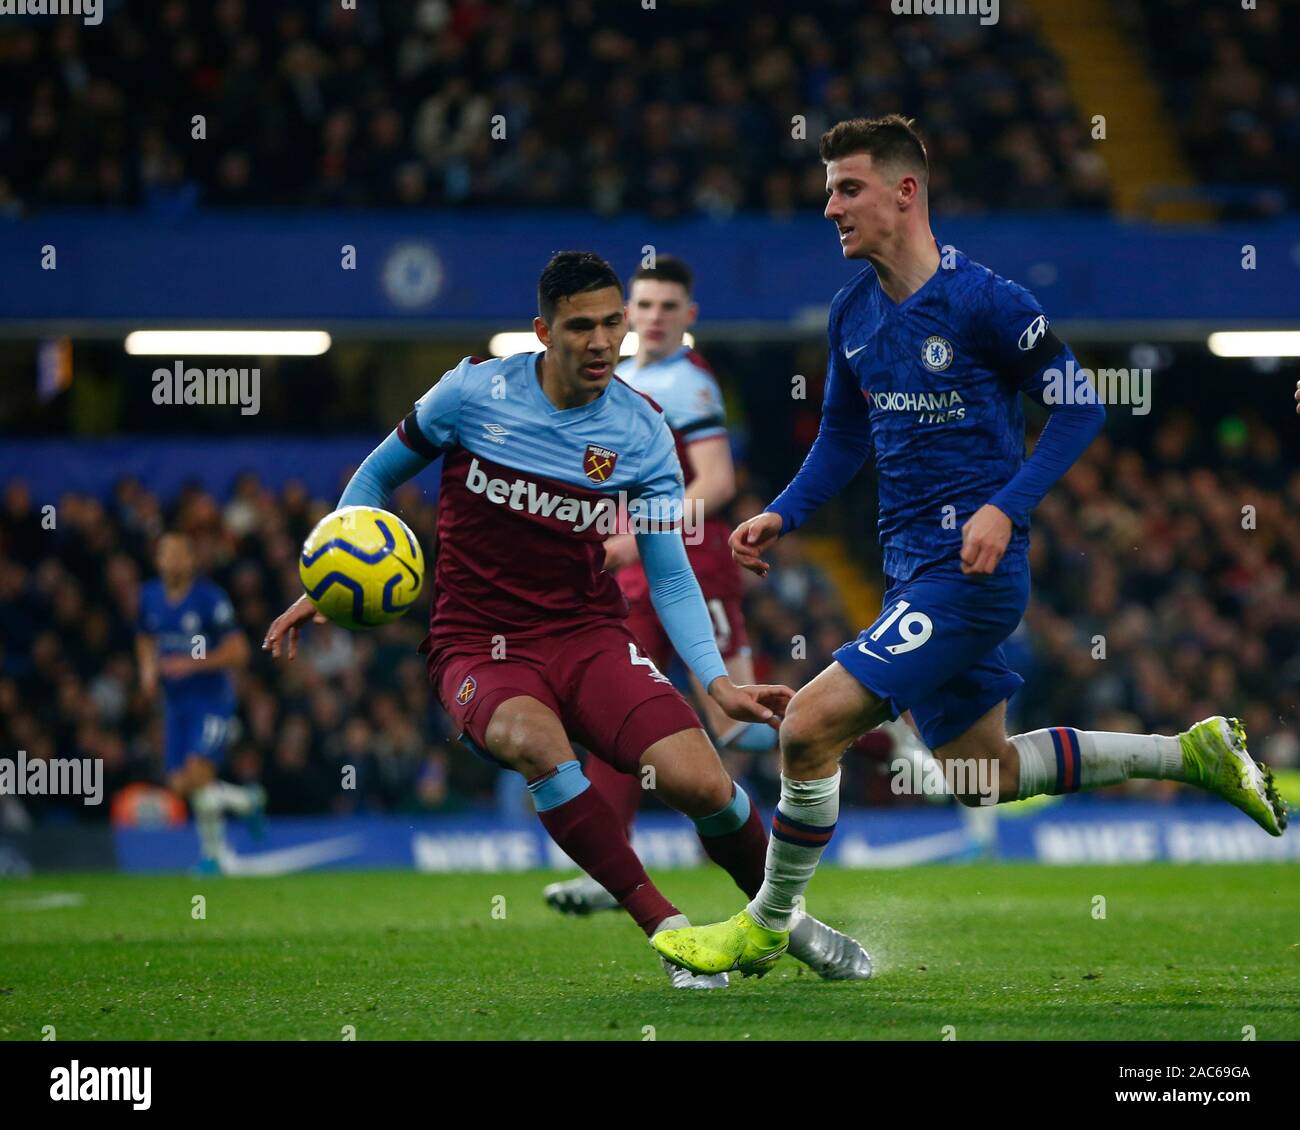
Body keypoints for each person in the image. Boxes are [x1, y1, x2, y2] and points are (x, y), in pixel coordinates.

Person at [654, 115, 1287, 979]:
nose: (829, 205)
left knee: (807, 727)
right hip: (910, 571)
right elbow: (844, 434)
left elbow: (1081, 405)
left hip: (969, 577)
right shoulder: (853, 313)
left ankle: (768, 922)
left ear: (905, 192)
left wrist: (1005, 505)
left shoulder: (988, 301)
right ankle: (1192, 754)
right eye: (828, 188)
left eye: (848, 188)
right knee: (982, 777)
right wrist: (788, 513)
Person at [264, 251, 872, 986]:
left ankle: (791, 925)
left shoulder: (642, 430)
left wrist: (714, 681)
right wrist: (333, 574)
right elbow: (375, 477)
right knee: (535, 742)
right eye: (580, 326)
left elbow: (668, 570)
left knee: (701, 783)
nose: (601, 341)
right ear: (542, 332)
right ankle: (669, 929)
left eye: (612, 323)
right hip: (479, 647)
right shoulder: (470, 392)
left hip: (588, 637)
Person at [543, 255, 774, 917]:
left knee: (737, 726)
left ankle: (870, 728)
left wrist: (636, 533)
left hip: (691, 569)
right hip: (636, 575)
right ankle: (605, 865)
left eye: (667, 307)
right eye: (642, 307)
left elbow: (717, 485)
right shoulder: (621, 380)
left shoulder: (687, 384)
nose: (654, 318)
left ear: (688, 317)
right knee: (619, 714)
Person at [136, 532, 262, 874]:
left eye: (179, 554)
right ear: (157, 559)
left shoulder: (210, 599)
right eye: (166, 554)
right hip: (175, 706)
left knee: (197, 773)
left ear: (192, 560)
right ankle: (247, 800)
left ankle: (212, 857)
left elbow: (239, 652)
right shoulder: (148, 596)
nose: (172, 561)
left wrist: (191, 663)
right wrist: (147, 672)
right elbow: (145, 637)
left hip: (211, 701)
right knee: (179, 785)